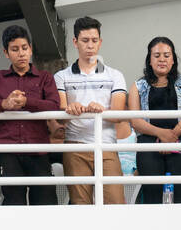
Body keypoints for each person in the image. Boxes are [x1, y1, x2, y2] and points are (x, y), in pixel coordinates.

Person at [0, 25, 60, 205]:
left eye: (24, 48)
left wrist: (27, 103)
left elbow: (54, 106)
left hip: (38, 149)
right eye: (15, 49)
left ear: (31, 49)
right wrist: (4, 104)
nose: (21, 53)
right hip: (8, 150)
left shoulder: (45, 78)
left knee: (45, 202)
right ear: (6, 53)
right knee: (13, 202)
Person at [54, 16, 127, 206]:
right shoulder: (61, 76)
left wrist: (101, 110)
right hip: (75, 147)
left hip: (106, 146)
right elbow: (60, 113)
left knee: (115, 202)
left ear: (100, 42)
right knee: (81, 206)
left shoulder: (115, 75)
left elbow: (118, 114)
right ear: (75, 42)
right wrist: (69, 109)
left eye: (94, 40)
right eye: (85, 40)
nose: (90, 45)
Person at [128, 36, 181, 204]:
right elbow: (136, 121)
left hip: (179, 141)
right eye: (157, 55)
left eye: (167, 55)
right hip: (148, 144)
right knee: (152, 197)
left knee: (179, 197)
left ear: (173, 59)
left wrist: (171, 137)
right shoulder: (137, 86)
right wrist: (161, 135)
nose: (162, 59)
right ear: (149, 60)